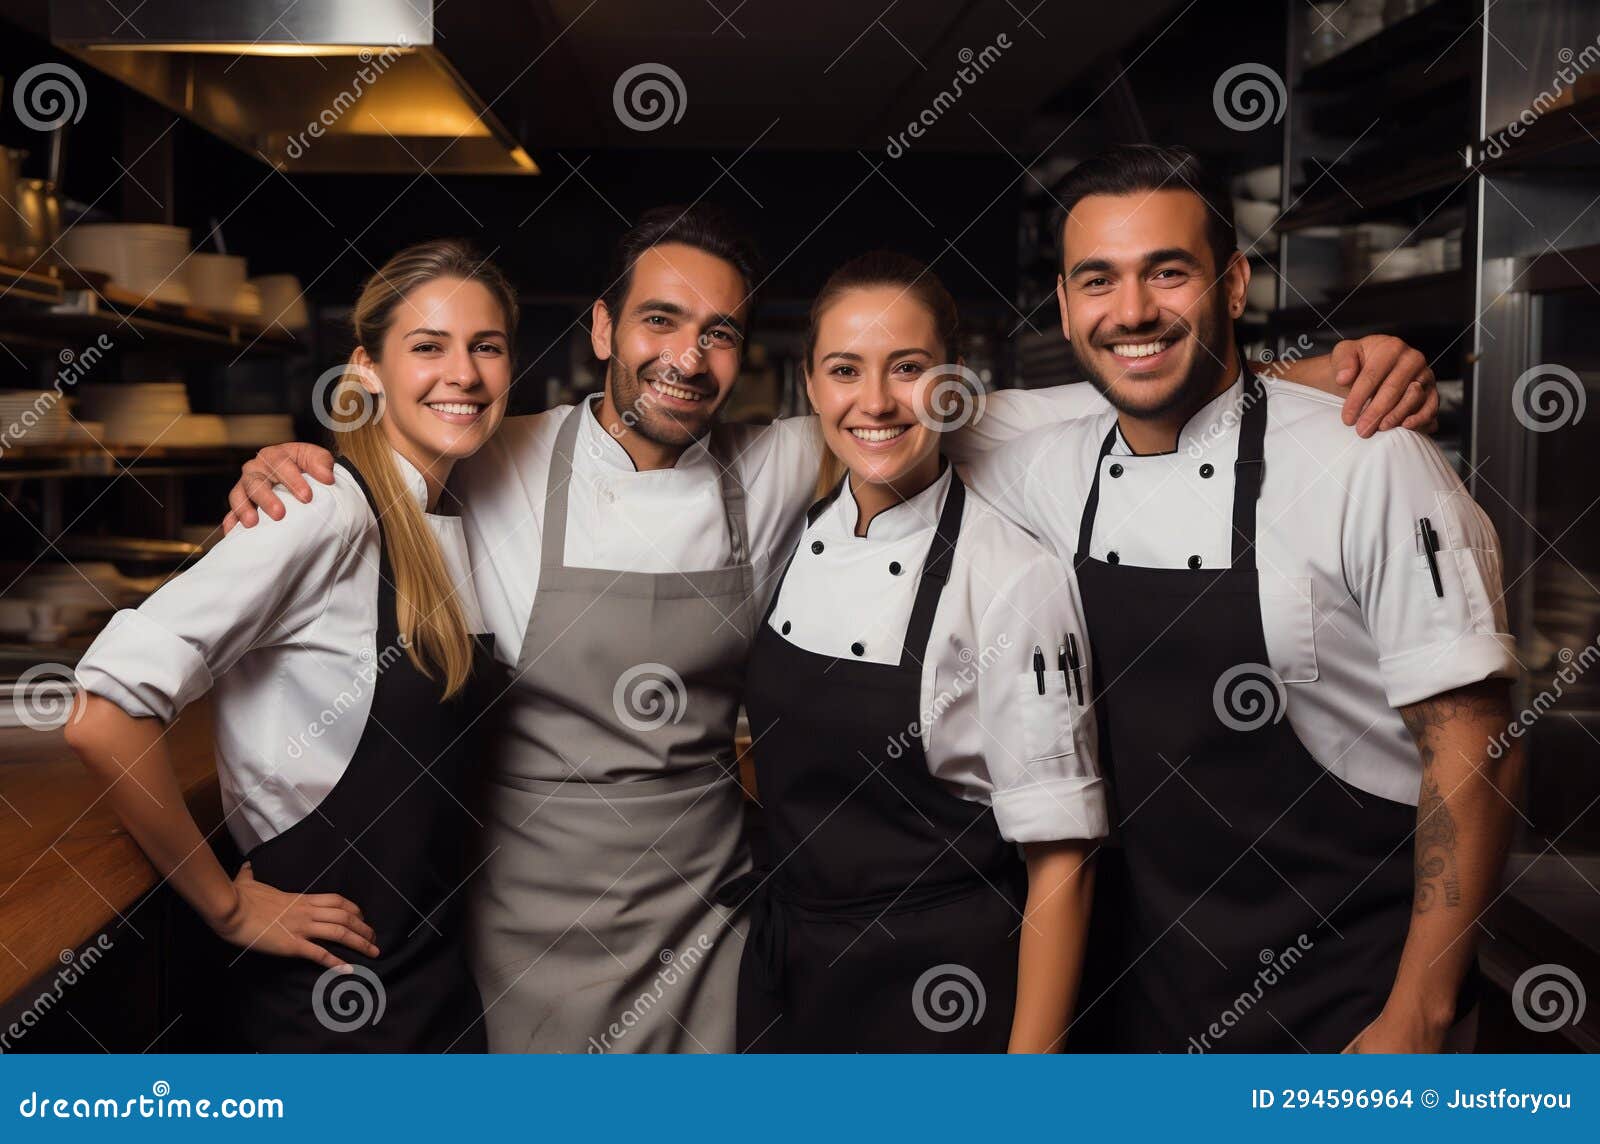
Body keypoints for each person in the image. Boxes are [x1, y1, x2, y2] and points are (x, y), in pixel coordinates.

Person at [220, 205, 1441, 1053]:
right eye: (658, 323)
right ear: (600, 329)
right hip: (521, 923)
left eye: (718, 333)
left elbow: (1050, 404)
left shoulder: (781, 464)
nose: (686, 358)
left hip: (712, 928)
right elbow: (412, 434)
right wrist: (306, 462)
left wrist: (1298, 378)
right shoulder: (506, 452)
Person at [962, 144, 1523, 1053]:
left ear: (1232, 285)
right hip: (1137, 1008)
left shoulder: (1371, 462)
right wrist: (1315, 365)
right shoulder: (1041, 462)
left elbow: (1475, 743)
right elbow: (890, 416)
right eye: (1098, 280)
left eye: (1168, 273)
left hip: (1348, 1010)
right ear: (1063, 305)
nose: (1131, 310)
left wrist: (1417, 1017)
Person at [66, 239, 515, 1051]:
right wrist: (228, 908)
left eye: (486, 346)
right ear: (367, 370)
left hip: (434, 982)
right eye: (428, 346)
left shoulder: (458, 518)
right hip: (324, 1006)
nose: (464, 374)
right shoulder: (319, 509)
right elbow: (104, 711)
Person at [724, 252, 1102, 1052]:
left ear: (953, 384)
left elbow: (1062, 859)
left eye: (907, 368)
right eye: (844, 370)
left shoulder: (1013, 576)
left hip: (939, 995)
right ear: (810, 384)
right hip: (788, 975)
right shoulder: (796, 532)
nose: (874, 402)